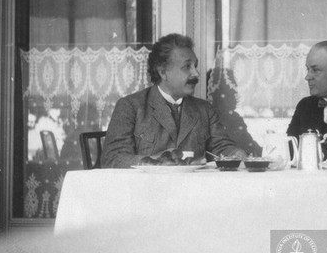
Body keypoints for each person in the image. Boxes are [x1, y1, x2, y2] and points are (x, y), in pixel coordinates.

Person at [101, 33, 247, 168]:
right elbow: (113, 158)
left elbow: (221, 147)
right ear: (163, 72)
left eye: (195, 66)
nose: (196, 73)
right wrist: (152, 162)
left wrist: (235, 153)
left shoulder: (204, 110)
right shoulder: (130, 107)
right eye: (187, 67)